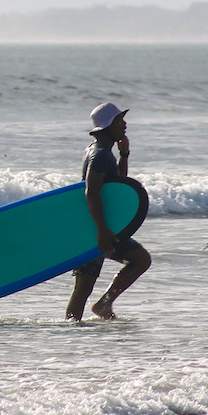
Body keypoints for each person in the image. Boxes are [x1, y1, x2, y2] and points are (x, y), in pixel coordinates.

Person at [66, 102, 151, 321]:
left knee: (83, 286)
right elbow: (91, 192)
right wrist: (102, 230)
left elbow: (118, 186)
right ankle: (98, 308)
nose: (124, 124)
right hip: (96, 228)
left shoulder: (100, 151)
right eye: (119, 120)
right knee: (139, 260)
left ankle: (78, 325)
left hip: (94, 225)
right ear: (108, 125)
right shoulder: (100, 154)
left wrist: (124, 155)